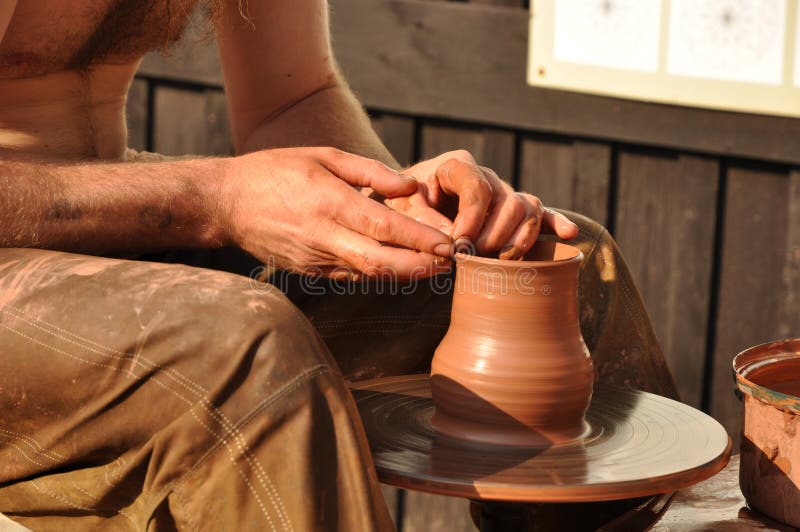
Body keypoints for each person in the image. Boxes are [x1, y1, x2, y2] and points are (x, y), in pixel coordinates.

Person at [0, 1, 677, 530]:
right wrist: (216, 198)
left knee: (557, 267)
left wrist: (397, 204)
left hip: (129, 215)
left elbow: (291, 101)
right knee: (244, 345)